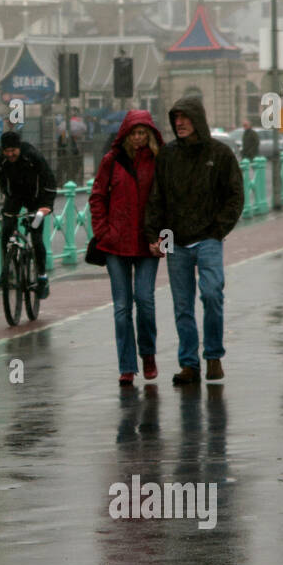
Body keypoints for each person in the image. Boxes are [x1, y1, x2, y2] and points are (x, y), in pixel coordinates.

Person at [143, 95, 244, 386]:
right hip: (175, 240)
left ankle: (213, 356)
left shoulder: (220, 154)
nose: (180, 123)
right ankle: (189, 364)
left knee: (212, 294)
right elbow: (156, 198)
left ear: (198, 120)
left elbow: (235, 196)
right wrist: (155, 235)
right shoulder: (168, 155)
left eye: (185, 118)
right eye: (176, 119)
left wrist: (218, 229)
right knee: (182, 305)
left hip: (209, 238)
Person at [89, 110, 163, 387]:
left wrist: (163, 241)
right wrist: (103, 232)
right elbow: (97, 197)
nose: (139, 138)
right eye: (135, 133)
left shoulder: (158, 162)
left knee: (145, 301)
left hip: (148, 245)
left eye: (144, 133)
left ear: (151, 135)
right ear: (126, 134)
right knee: (121, 308)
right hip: (115, 245)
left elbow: (167, 204)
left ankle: (148, 355)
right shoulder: (111, 161)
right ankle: (127, 366)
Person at [0, 129, 56, 296]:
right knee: (6, 230)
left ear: (19, 148)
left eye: (13, 151)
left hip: (36, 199)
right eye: (7, 151)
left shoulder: (31, 155)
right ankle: (7, 271)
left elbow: (49, 178)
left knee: (36, 237)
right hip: (13, 197)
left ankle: (42, 277)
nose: (10, 154)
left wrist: (47, 205)